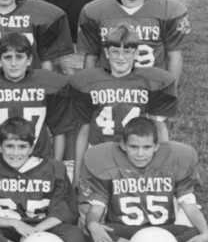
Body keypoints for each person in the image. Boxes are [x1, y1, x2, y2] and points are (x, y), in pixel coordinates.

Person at [81, 117, 208, 242]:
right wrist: (93, 224)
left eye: (147, 147)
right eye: (134, 147)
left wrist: (205, 234)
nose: (140, 154)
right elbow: (96, 210)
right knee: (99, 230)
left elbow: (190, 207)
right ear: (123, 145)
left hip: (162, 230)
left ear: (156, 146)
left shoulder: (175, 161)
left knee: (193, 233)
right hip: (125, 228)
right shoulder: (108, 162)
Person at [69, 25, 176, 183]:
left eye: (127, 52)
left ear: (136, 54)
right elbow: (84, 132)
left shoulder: (149, 82)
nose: (121, 57)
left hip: (134, 154)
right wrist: (77, 177)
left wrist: (163, 168)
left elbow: (159, 128)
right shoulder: (89, 82)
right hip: (99, 151)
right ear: (107, 53)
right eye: (115, 51)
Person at [0, 32, 72, 160]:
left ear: (29, 60)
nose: (13, 63)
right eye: (8, 57)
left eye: (19, 57)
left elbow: (59, 130)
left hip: (38, 159)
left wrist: (56, 163)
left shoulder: (49, 83)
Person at [78, 0, 190, 83]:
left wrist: (170, 90)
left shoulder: (168, 10)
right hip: (109, 85)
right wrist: (87, 87)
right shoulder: (96, 11)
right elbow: (91, 55)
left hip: (151, 84)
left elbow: (174, 55)